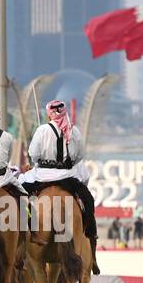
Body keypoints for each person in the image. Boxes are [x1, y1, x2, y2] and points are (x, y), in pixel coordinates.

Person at [20, 99, 99, 273]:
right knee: (88, 202)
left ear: (49, 114)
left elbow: (33, 154)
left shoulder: (42, 130)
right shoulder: (74, 131)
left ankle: (20, 244)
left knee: (17, 196)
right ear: (64, 113)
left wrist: (41, 161)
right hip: (67, 177)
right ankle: (91, 238)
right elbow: (79, 156)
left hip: (42, 175)